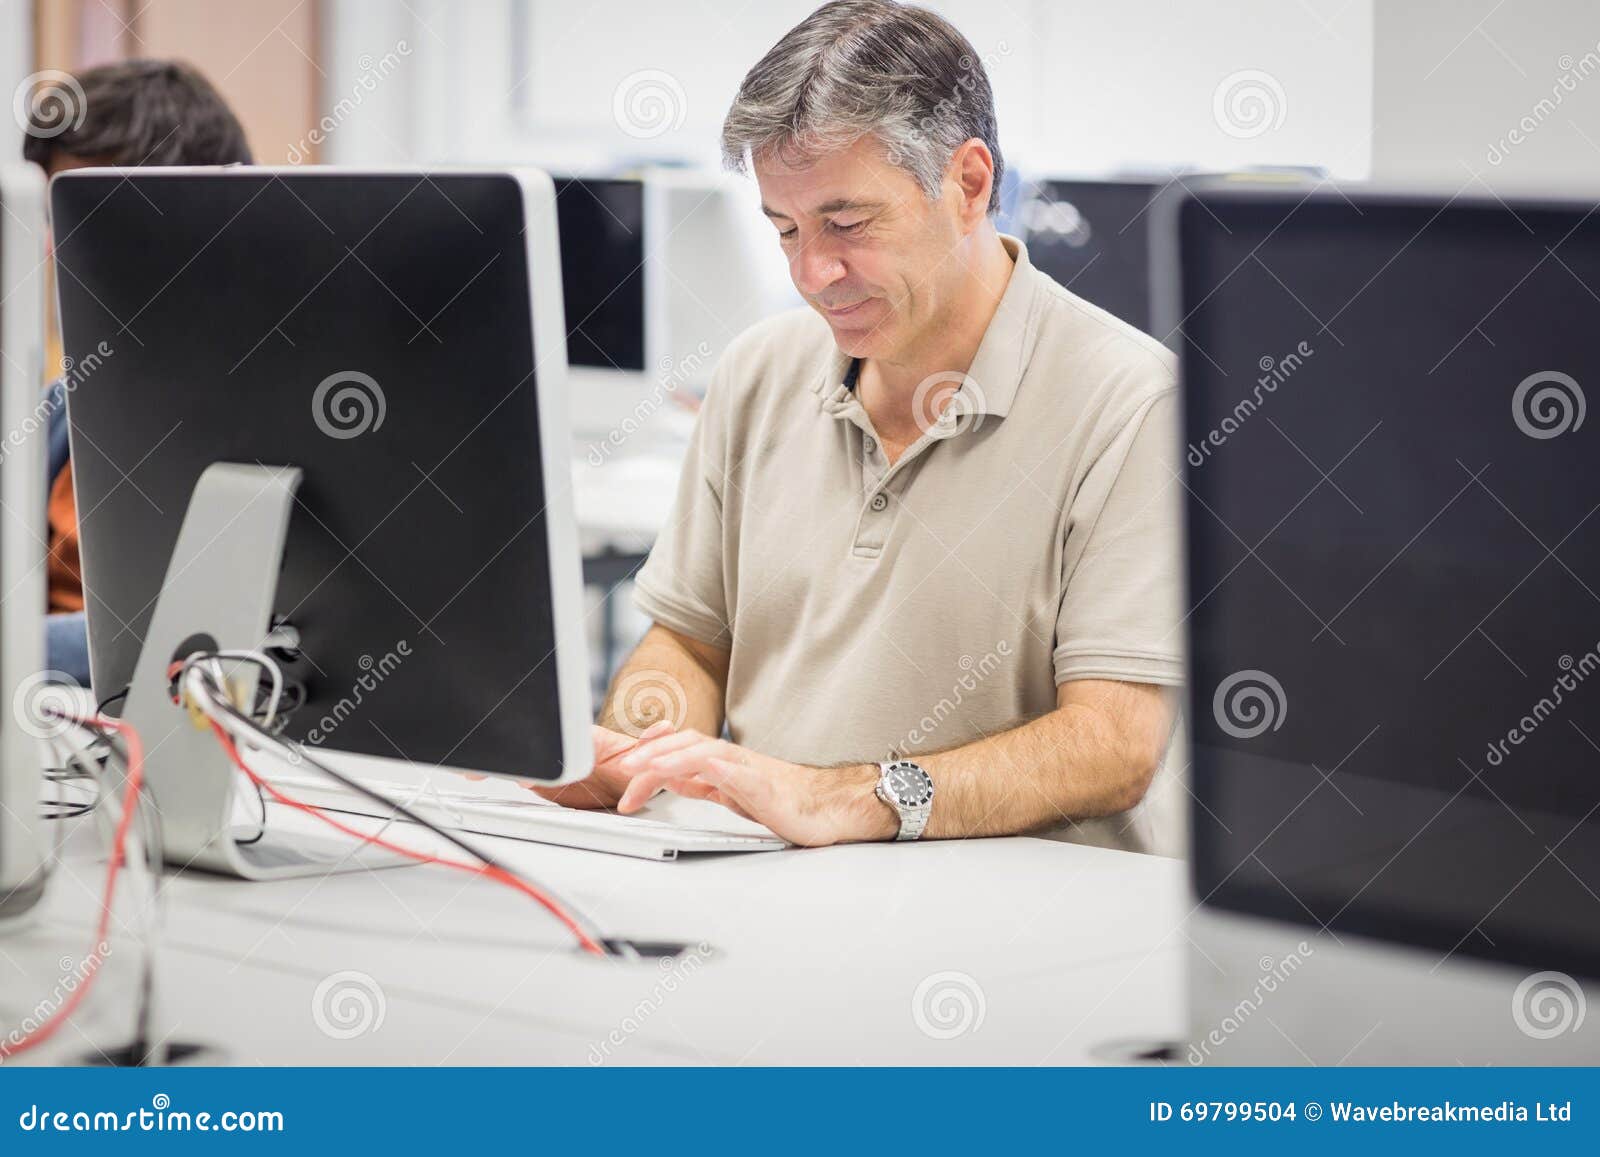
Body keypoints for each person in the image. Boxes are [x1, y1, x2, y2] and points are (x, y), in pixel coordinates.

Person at [546, 0, 1186, 852]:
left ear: (968, 184)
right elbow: (692, 641)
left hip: (1021, 935)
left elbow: (1111, 746)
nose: (814, 272)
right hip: (776, 897)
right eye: (785, 231)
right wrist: (638, 753)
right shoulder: (758, 373)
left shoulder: (1131, 401)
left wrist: (853, 800)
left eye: (847, 224)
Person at [22, 60, 252, 685]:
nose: (58, 248)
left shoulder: (259, 422)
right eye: (55, 217)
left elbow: (200, 637)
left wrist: (17, 650)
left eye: (92, 215)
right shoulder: (60, 415)